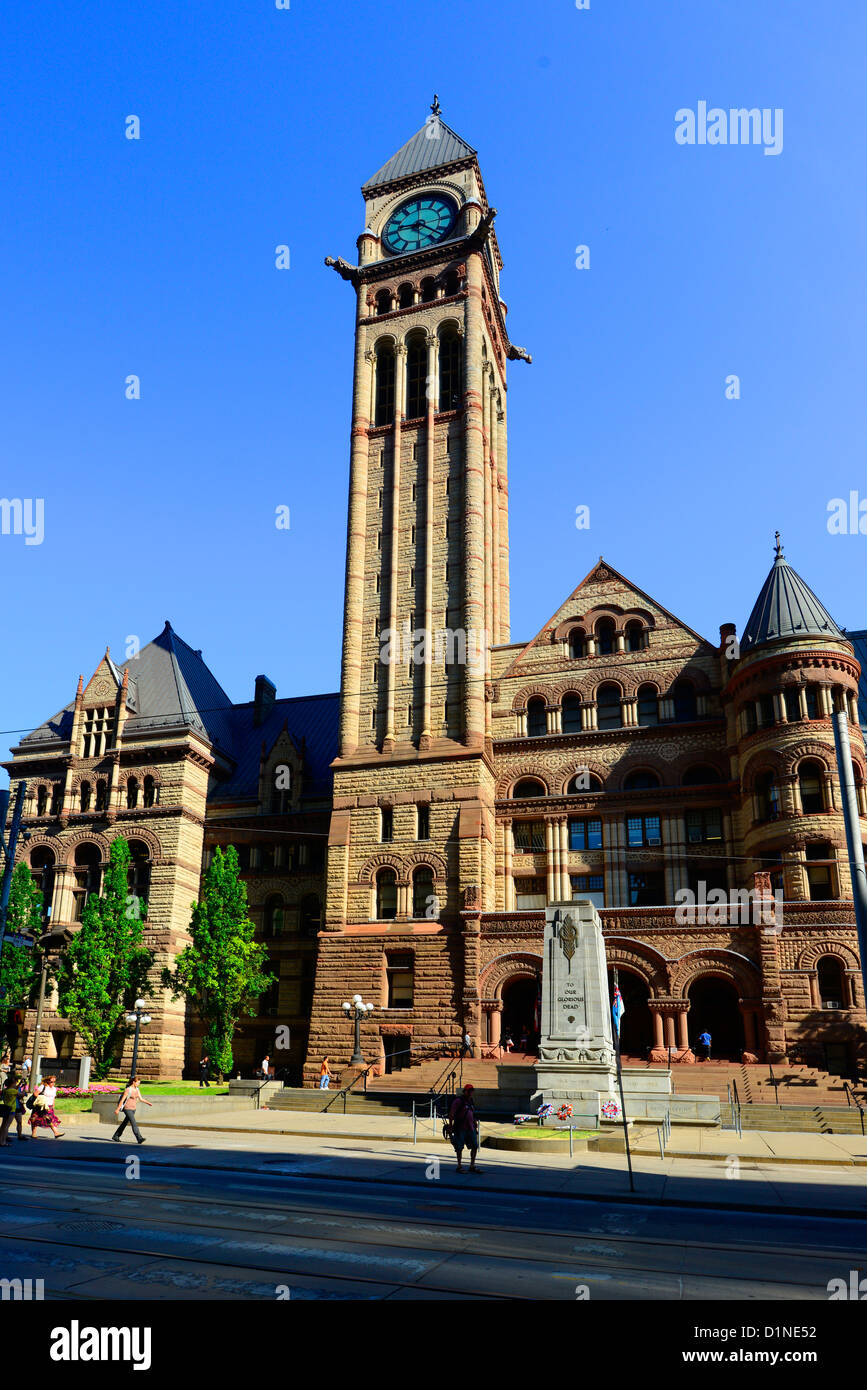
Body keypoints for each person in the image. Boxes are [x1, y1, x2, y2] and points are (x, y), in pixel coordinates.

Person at [447, 1084, 480, 1174]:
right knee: (459, 1147)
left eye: (471, 1091)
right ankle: (459, 1166)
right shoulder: (458, 1101)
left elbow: (472, 1113)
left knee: (474, 1146)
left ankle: (472, 1165)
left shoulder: (471, 1101)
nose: (470, 1092)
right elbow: (451, 1114)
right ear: (465, 1091)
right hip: (460, 1127)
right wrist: (450, 1126)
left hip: (471, 1128)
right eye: (469, 1091)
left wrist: (475, 1122)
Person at [112, 1076, 152, 1144]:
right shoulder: (128, 1089)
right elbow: (122, 1100)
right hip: (127, 1108)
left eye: (139, 1083)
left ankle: (116, 1136)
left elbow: (141, 1099)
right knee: (134, 1123)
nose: (139, 1084)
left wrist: (148, 1103)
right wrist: (117, 1109)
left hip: (133, 1109)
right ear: (134, 1082)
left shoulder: (137, 1089)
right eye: (138, 1083)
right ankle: (139, 1138)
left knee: (124, 1123)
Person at [0, 1071, 19, 1146]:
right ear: (12, 1084)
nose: (15, 1084)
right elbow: (21, 1094)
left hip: (5, 1107)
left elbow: (14, 1089)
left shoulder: (5, 1090)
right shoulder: (14, 1091)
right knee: (6, 1126)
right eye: (14, 1083)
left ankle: (1, 1140)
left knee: (3, 1125)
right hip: (11, 1109)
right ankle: (3, 1141)